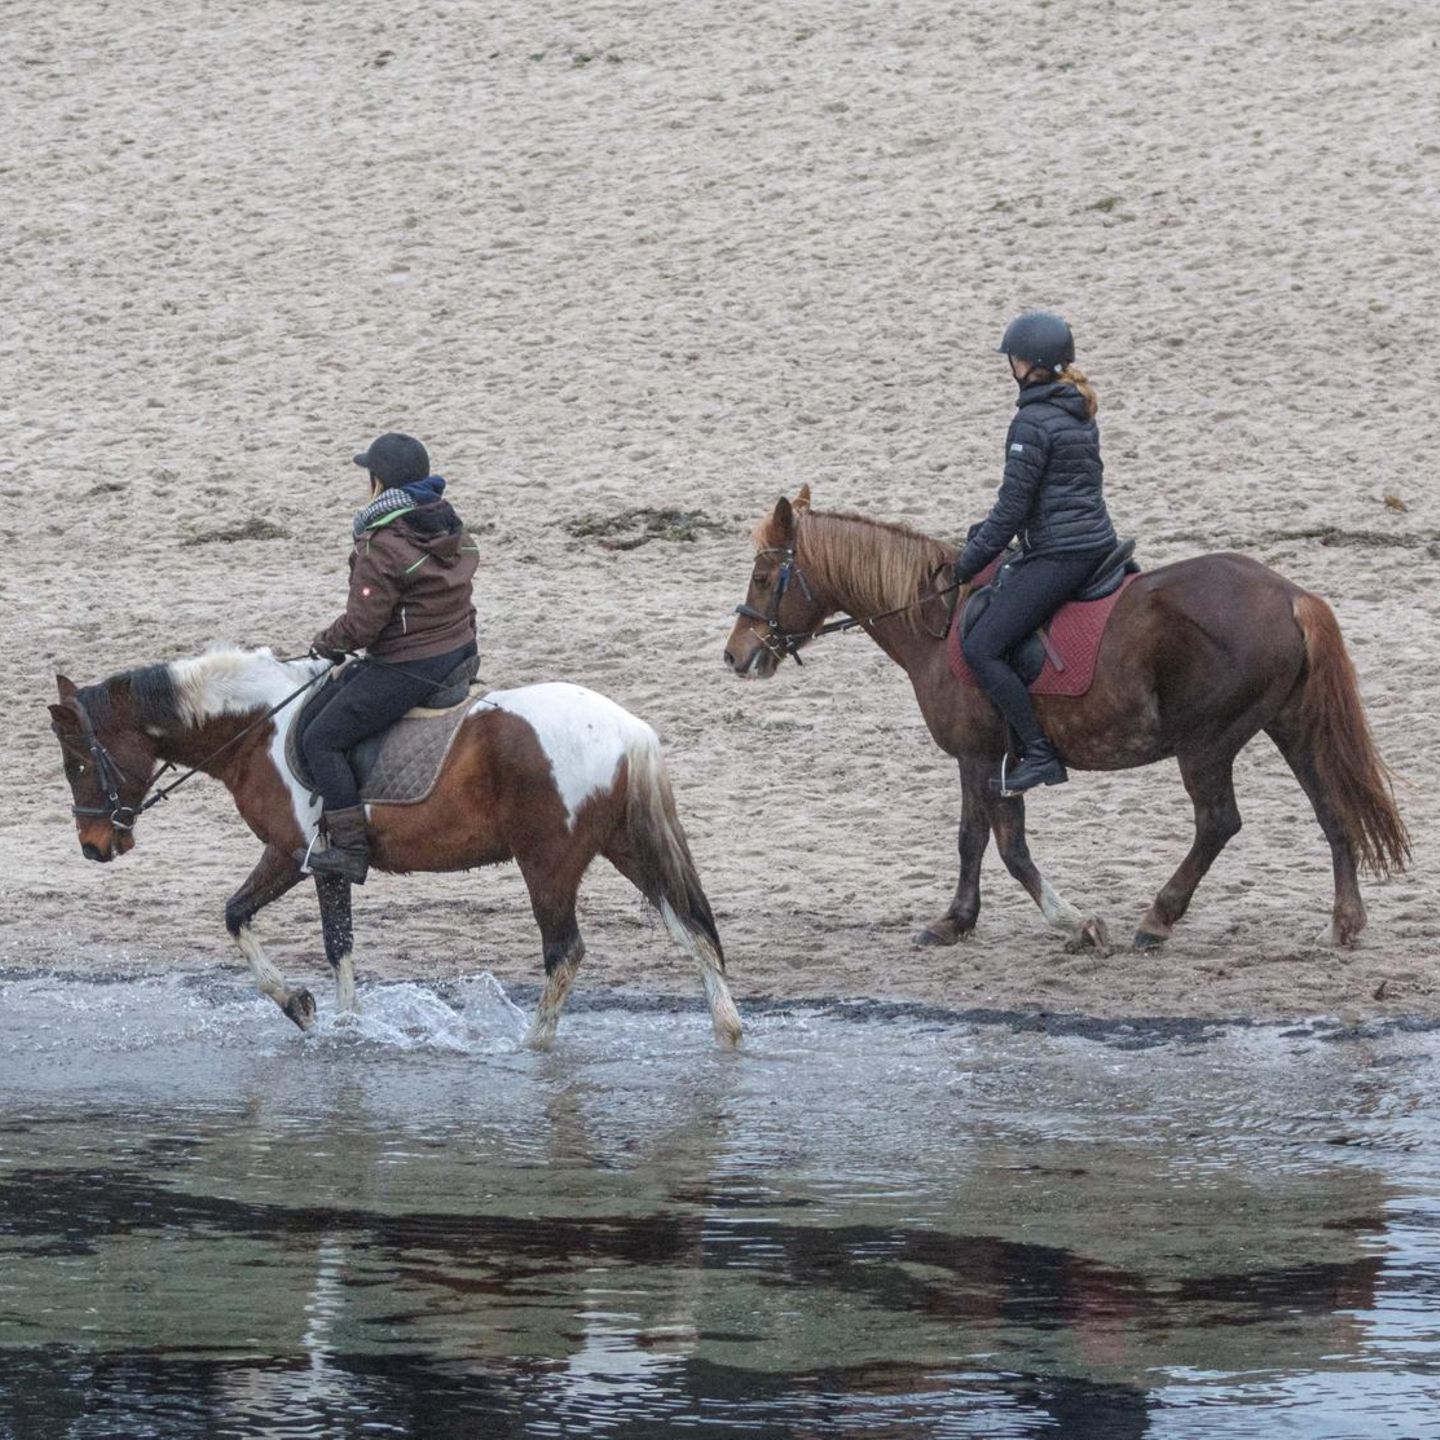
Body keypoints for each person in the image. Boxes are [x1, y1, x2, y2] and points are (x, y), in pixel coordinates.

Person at [302, 432, 480, 882]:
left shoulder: (382, 543)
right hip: (459, 649)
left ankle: (349, 848)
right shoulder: (446, 522)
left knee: (321, 740)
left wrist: (327, 642)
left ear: (379, 484)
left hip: (412, 664)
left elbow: (363, 626)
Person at [953, 312, 1118, 794]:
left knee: (981, 646)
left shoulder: (1031, 422)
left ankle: (1040, 753)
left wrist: (968, 561)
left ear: (1027, 364)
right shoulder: (1078, 410)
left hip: (1060, 554)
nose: (1011, 364)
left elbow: (1012, 509)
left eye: (1014, 358)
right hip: (1097, 542)